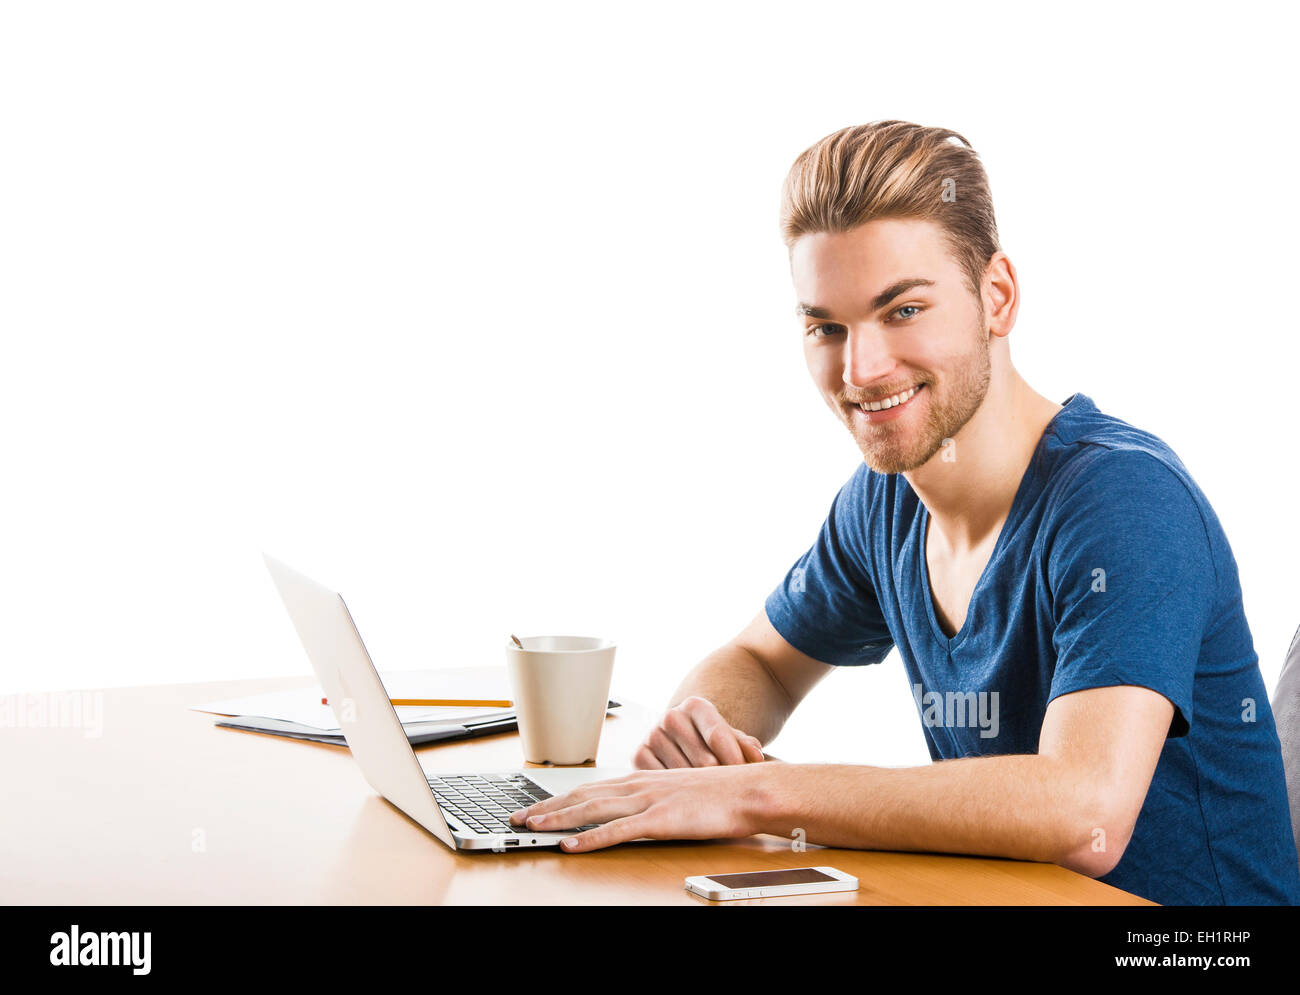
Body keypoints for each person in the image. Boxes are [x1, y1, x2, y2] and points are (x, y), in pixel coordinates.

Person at [508, 120, 1300, 906]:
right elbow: (758, 660)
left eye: (903, 311)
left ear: (998, 297)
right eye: (827, 326)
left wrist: (756, 795)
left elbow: (1081, 811)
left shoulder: (1124, 501)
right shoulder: (887, 499)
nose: (861, 369)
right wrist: (704, 737)